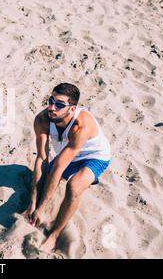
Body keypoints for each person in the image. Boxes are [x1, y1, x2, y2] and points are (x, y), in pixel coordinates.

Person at [25, 83, 111, 252]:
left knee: (73, 187)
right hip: (68, 153)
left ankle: (54, 235)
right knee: (44, 182)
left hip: (94, 156)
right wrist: (33, 203)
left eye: (59, 104)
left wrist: (41, 209)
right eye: (51, 101)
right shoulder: (42, 120)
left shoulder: (80, 125)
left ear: (72, 108)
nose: (52, 107)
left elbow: (58, 166)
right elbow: (42, 157)